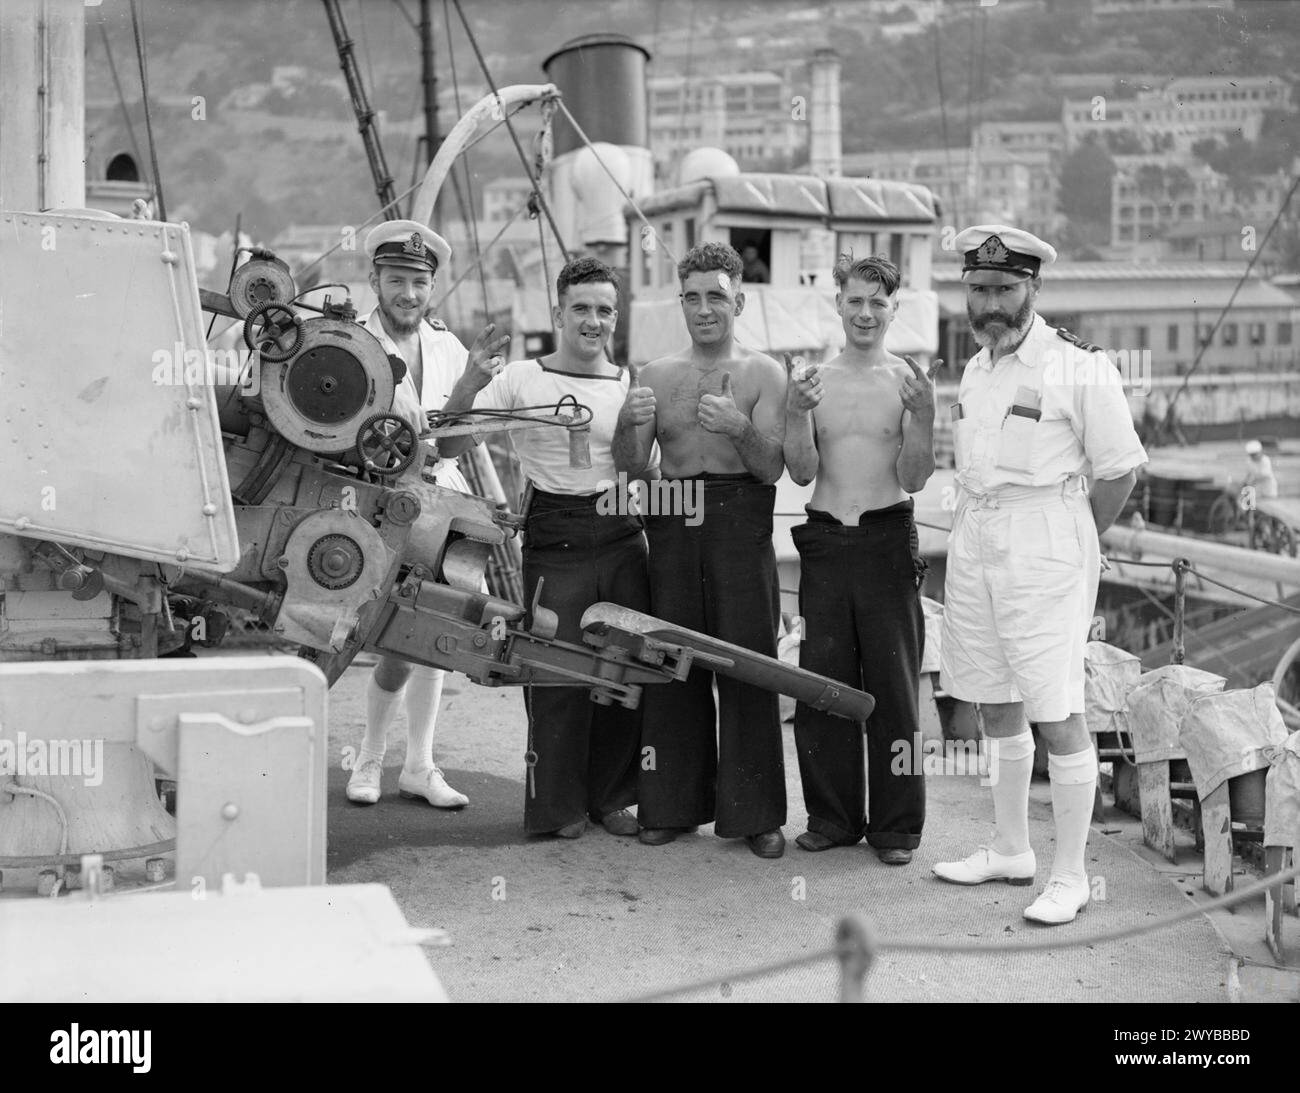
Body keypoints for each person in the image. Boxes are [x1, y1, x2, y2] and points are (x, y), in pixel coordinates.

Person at [933, 225, 1148, 924]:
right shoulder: (976, 369)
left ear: (1034, 287)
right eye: (979, 290)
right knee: (993, 698)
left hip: (1045, 541)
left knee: (1057, 710)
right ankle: (1009, 846)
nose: (990, 303)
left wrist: (1072, 538)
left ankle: (1071, 873)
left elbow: (1119, 469)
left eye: (1004, 289)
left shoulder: (1078, 366)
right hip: (978, 535)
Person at [437, 256, 649, 839]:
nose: (593, 320)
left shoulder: (630, 383)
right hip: (554, 532)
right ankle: (557, 808)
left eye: (605, 310)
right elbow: (450, 447)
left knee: (621, 667)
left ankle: (612, 799)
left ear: (616, 317)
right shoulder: (521, 379)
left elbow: (643, 473)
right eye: (581, 308)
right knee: (554, 672)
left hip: (622, 531)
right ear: (559, 312)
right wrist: (470, 383)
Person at [612, 241, 789, 859]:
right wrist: (626, 423)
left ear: (739, 299)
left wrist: (739, 429)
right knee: (672, 664)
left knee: (749, 665)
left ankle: (757, 815)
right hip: (673, 521)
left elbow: (773, 471)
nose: (705, 307)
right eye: (693, 296)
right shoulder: (655, 376)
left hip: (742, 521)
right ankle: (671, 806)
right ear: (680, 303)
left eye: (717, 295)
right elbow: (633, 467)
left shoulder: (766, 374)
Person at [345, 219, 509, 809]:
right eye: (396, 280)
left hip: (445, 502)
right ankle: (369, 756)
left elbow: (461, 443)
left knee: (436, 628)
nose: (408, 294)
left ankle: (418, 765)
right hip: (376, 502)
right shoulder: (352, 345)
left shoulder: (448, 348)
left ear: (431, 287)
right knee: (391, 634)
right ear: (374, 280)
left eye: (418, 281)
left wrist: (467, 386)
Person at [782, 253, 935, 865]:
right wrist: (795, 413)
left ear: (894, 309)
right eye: (855, 300)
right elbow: (800, 471)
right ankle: (832, 818)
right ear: (838, 304)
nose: (865, 312)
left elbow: (916, 477)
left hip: (885, 538)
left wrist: (921, 418)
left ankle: (897, 829)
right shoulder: (813, 381)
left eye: (878, 302)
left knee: (895, 691)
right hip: (824, 538)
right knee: (822, 689)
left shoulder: (908, 382)